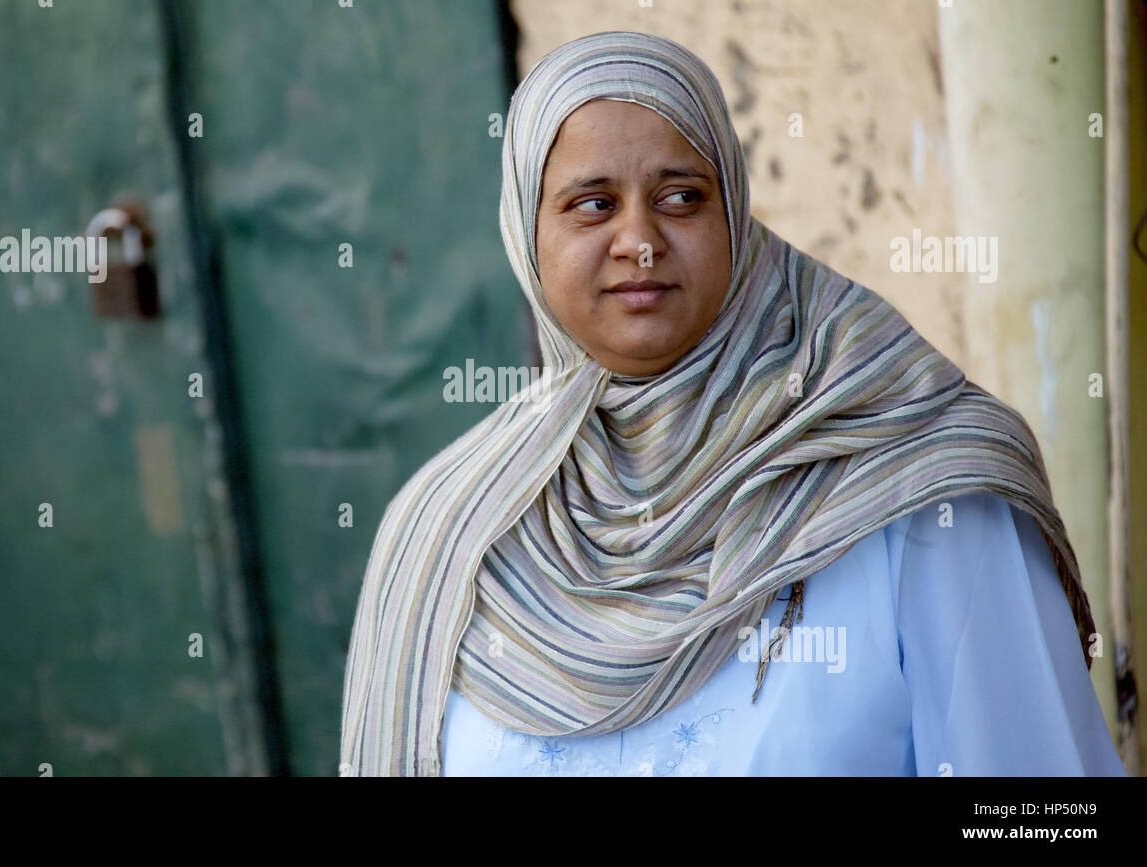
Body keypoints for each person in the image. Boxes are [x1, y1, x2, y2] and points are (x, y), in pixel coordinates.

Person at [339, 30, 1126, 777]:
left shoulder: (922, 491)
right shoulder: (453, 534)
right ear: (525, 231)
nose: (639, 240)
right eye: (591, 204)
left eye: (682, 197)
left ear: (736, 219)